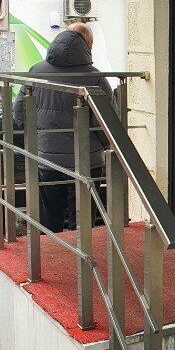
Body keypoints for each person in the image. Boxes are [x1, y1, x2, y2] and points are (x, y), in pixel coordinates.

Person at [13, 23, 112, 233]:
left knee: (50, 219)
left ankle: (50, 258)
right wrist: (104, 145)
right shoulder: (94, 76)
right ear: (88, 44)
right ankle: (82, 260)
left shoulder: (36, 71)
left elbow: (18, 110)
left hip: (48, 159)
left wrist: (38, 137)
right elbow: (106, 122)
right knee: (83, 221)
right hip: (87, 159)